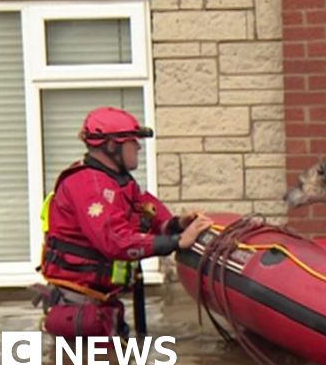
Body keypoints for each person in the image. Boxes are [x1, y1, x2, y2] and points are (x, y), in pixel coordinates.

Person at [37, 107, 213, 337]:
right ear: (112, 146)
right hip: (79, 304)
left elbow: (148, 216)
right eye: (133, 141)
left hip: (98, 302)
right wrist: (177, 241)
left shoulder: (117, 183)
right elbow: (116, 241)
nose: (138, 147)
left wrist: (178, 223)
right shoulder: (90, 185)